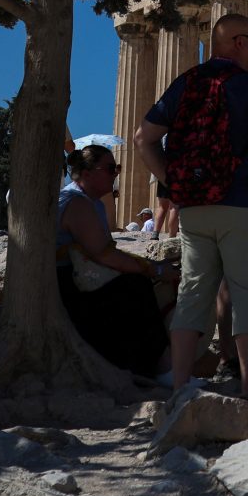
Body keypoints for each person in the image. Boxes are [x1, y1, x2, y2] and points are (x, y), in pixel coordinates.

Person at [134, 12, 248, 403]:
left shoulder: (187, 80)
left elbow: (143, 138)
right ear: (239, 42)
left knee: (193, 294)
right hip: (243, 205)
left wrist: (174, 186)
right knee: (247, 295)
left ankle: (178, 387)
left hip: (195, 207)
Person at [57, 144, 173, 377]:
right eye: (111, 168)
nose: (116, 174)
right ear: (88, 173)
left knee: (134, 285)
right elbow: (104, 254)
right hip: (67, 286)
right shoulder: (76, 202)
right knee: (136, 287)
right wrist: (155, 270)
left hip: (83, 279)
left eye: (117, 168)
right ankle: (161, 370)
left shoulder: (94, 203)